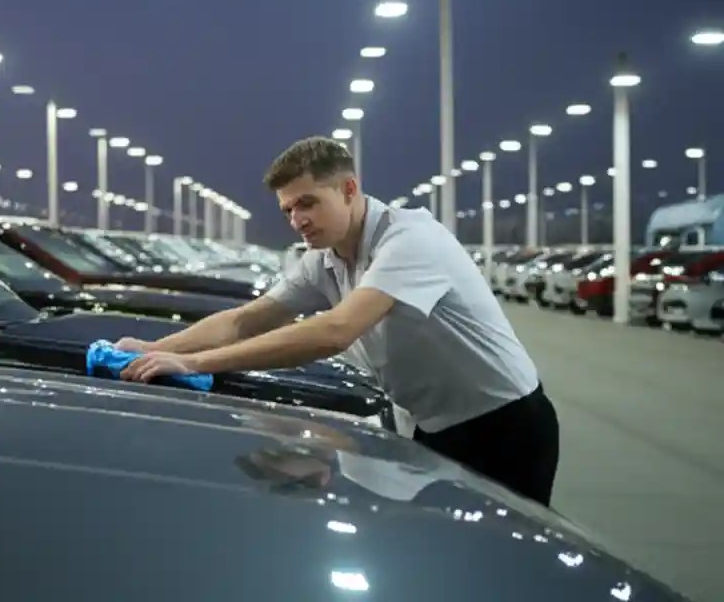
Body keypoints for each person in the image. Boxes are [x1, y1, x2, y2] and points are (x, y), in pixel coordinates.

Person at [116, 136, 560, 506]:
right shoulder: (324, 260)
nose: (297, 220)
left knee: (511, 566)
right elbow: (246, 320)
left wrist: (196, 365)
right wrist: (159, 349)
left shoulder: (410, 240)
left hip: (508, 425)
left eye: (307, 203)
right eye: (288, 210)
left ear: (349, 190)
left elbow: (335, 330)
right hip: (436, 426)